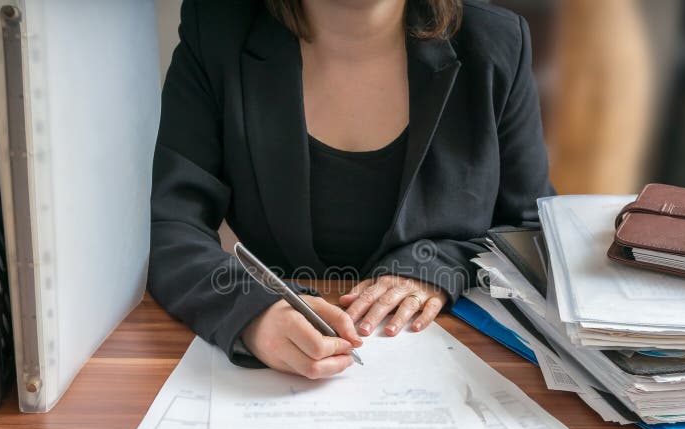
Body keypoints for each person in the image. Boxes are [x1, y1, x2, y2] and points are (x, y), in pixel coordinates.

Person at [148, 0, 553, 379]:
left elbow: (533, 232)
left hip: (448, 368)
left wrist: (439, 265)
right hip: (279, 376)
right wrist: (252, 311)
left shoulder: (495, 42)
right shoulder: (217, 29)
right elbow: (168, 225)